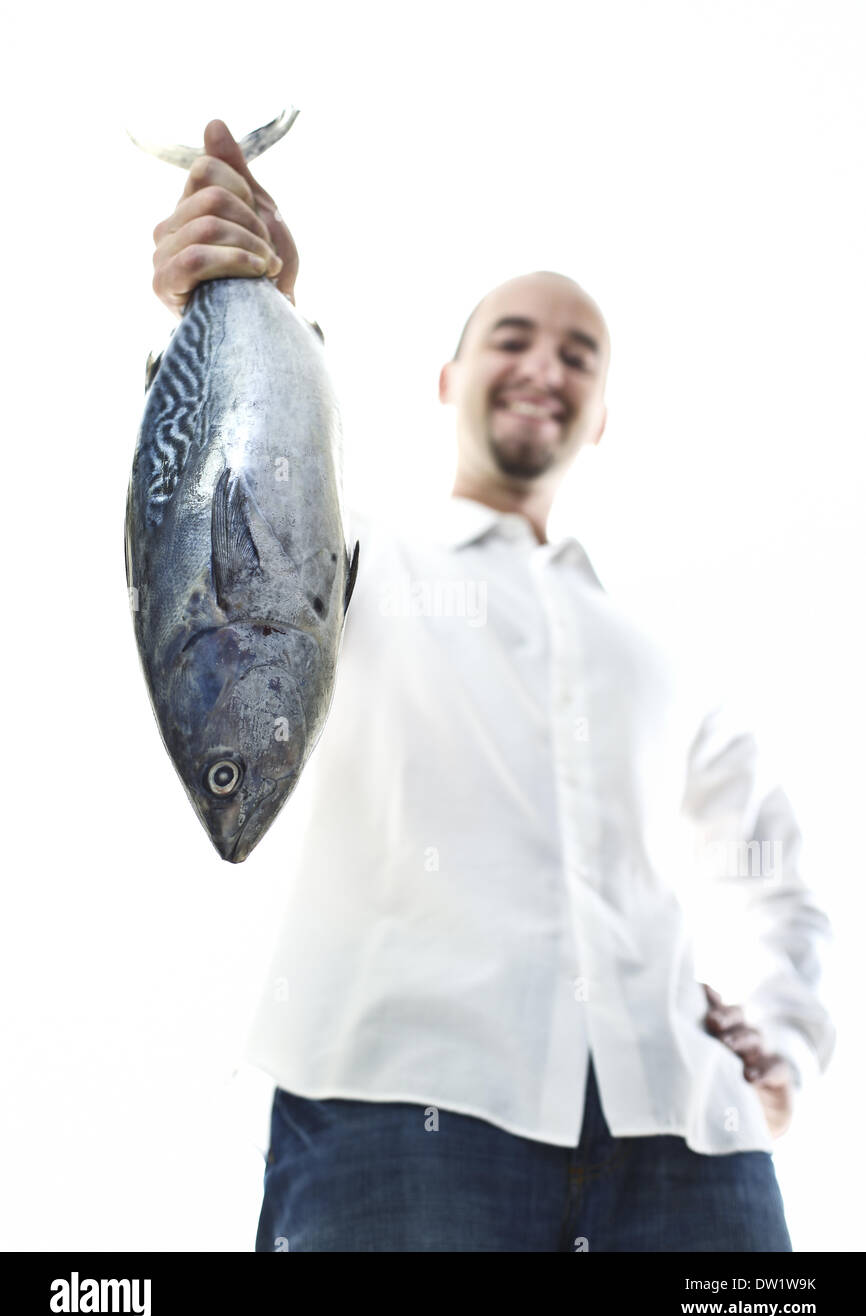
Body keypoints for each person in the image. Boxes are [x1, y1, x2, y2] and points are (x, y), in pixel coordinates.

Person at [151, 120, 836, 1253]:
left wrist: (779, 1041)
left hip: (689, 1148)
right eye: (510, 338)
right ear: (447, 377)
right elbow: (241, 516)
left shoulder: (658, 653)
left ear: (601, 412)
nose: (543, 367)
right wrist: (241, 314)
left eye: (579, 355)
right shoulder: (356, 563)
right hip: (397, 1115)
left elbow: (775, 873)